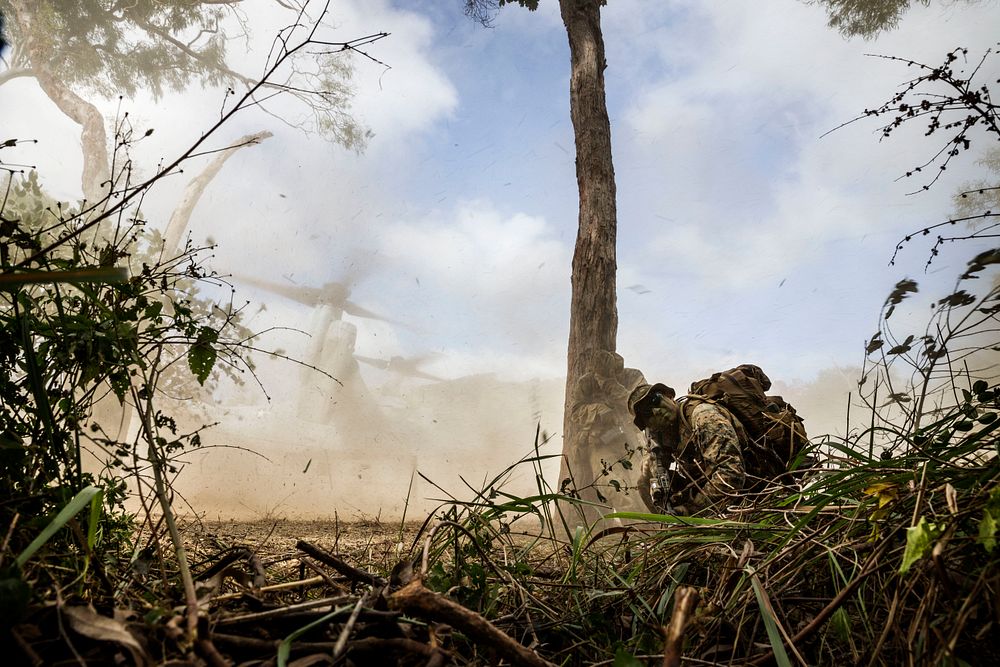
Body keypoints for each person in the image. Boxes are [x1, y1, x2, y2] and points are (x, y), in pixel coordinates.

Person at [628, 382, 747, 516]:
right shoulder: (661, 433)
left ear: (669, 396)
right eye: (647, 413)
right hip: (709, 480)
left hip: (747, 482)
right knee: (644, 482)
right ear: (648, 424)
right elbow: (651, 458)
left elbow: (732, 475)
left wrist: (692, 510)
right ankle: (667, 522)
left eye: (655, 400)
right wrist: (650, 466)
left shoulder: (704, 417)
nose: (656, 411)